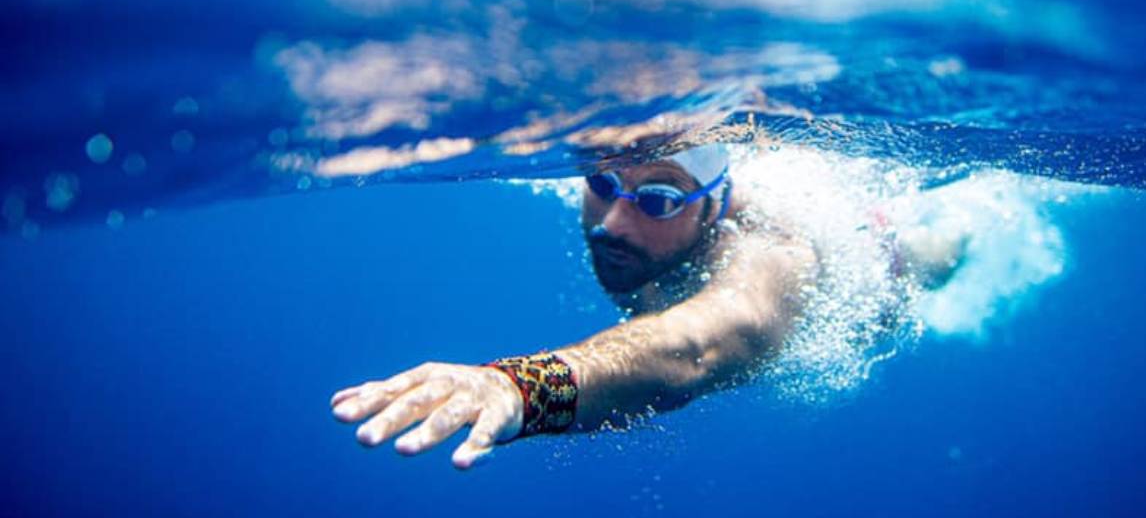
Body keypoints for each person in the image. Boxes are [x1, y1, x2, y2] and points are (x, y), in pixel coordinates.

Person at [330, 144, 963, 469]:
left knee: (943, 249)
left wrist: (522, 387)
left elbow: (695, 349)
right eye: (600, 185)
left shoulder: (773, 251)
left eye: (660, 200)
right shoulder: (627, 201)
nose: (611, 222)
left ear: (715, 204)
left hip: (888, 264)